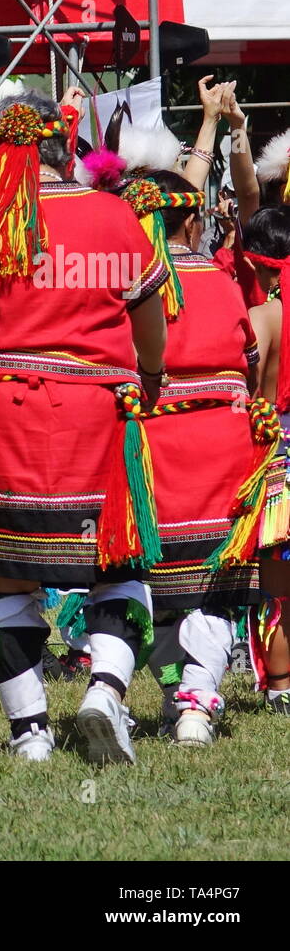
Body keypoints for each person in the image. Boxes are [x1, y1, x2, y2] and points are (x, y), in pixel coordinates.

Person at [0, 91, 169, 765]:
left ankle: (31, 736)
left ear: (3, 149)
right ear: (63, 147)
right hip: (98, 415)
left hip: (2, 412)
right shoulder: (114, 214)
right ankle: (104, 691)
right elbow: (150, 320)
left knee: (10, 578)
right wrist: (153, 376)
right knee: (118, 569)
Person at [101, 168, 260, 748]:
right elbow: (249, 355)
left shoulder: (122, 283)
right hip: (222, 441)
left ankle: (174, 694)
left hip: (149, 446)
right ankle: (193, 705)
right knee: (214, 582)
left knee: (157, 583)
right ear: (191, 221)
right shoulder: (222, 281)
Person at [242, 206, 290, 716]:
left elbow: (250, 395)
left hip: (281, 462)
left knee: (279, 589)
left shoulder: (263, 317)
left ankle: (282, 686)